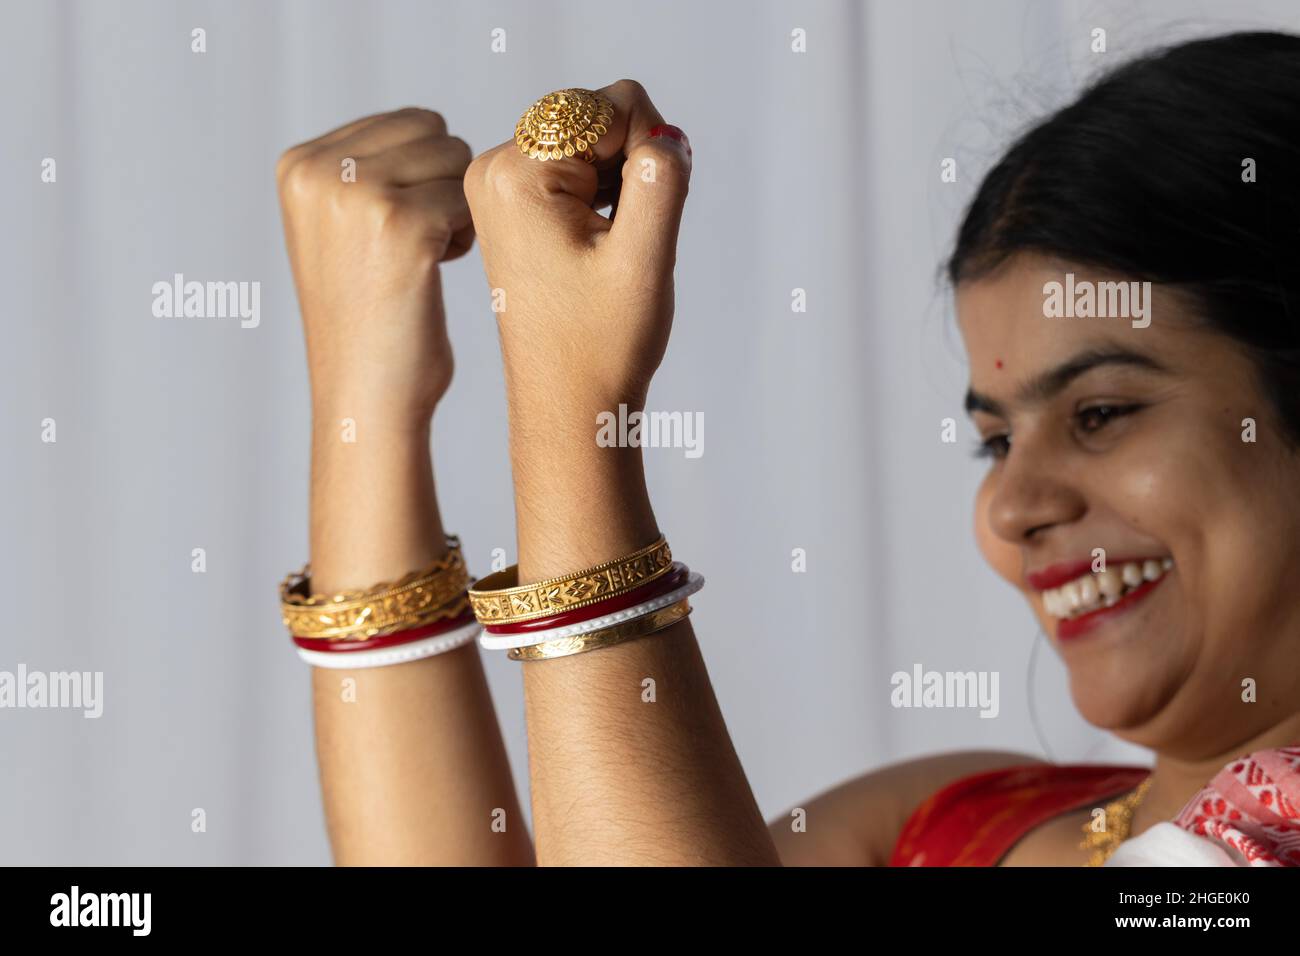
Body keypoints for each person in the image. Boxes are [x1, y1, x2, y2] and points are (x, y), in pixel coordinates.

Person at [275, 31, 1300, 866]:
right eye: (993, 439)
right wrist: (369, 407)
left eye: (1099, 413)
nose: (1011, 506)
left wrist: (579, 420)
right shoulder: (950, 818)